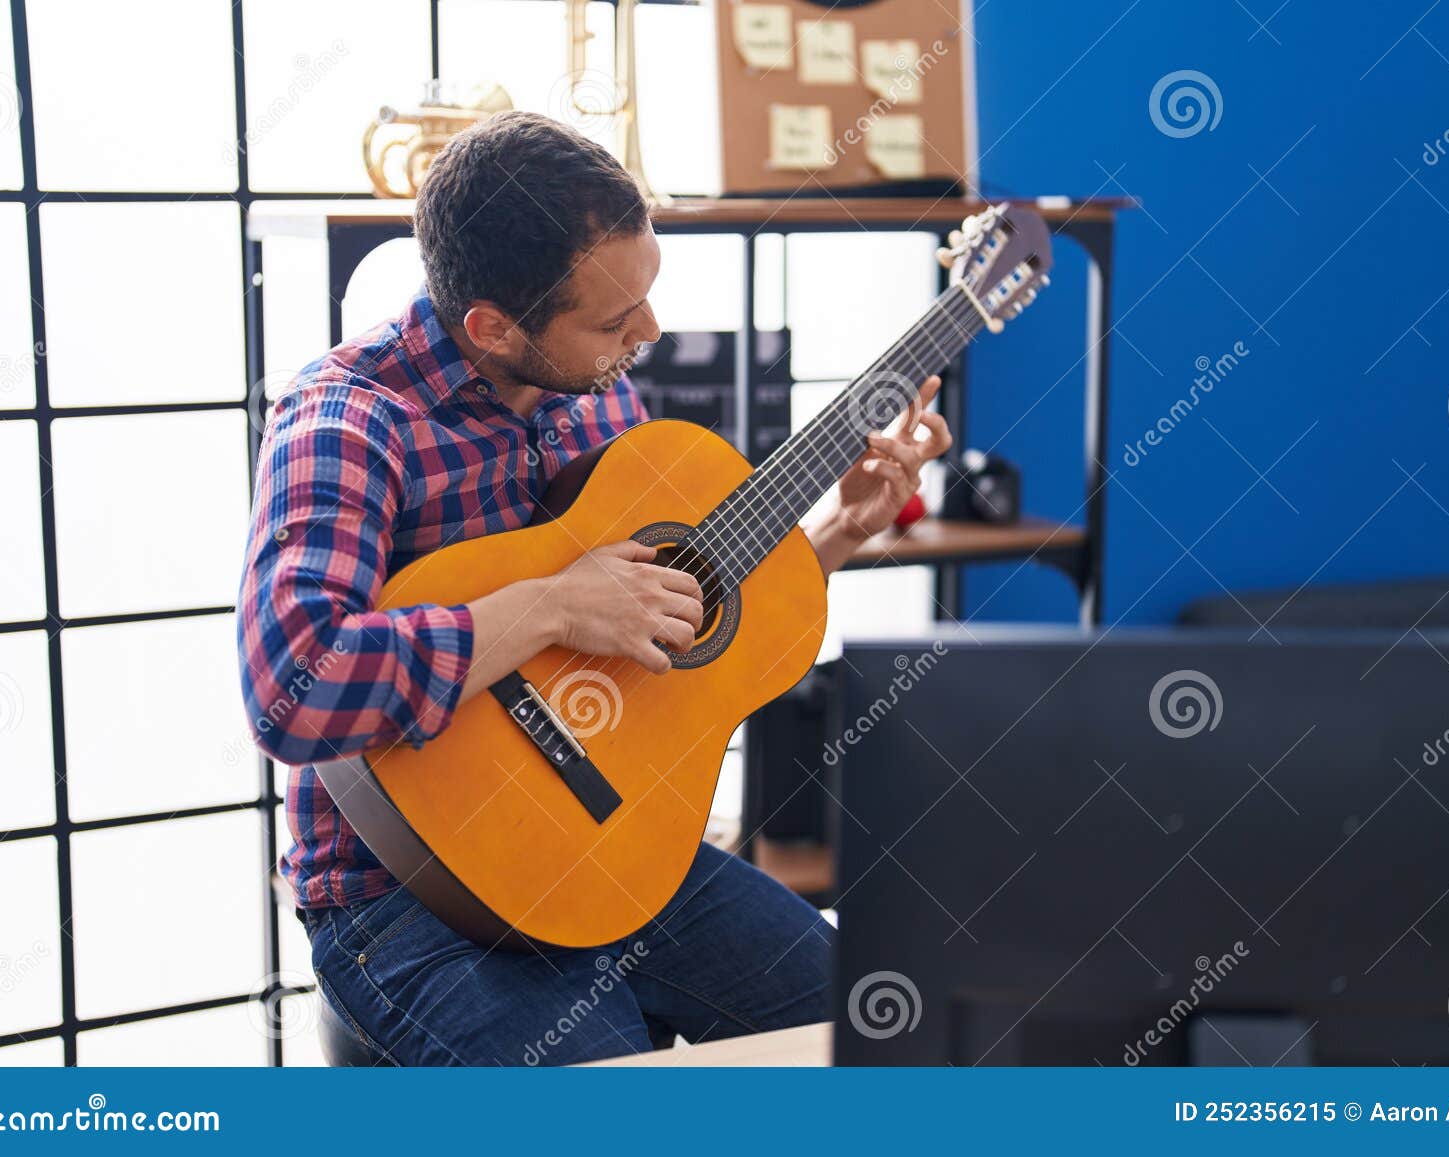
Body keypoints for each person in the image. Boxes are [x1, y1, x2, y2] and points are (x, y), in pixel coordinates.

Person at [235, 110, 950, 1065]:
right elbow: (294, 688)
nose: (647, 336)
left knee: (881, 1035)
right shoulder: (347, 420)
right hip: (406, 896)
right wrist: (554, 604)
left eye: (646, 297)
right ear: (492, 326)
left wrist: (840, 530)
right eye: (614, 320)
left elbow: (670, 608)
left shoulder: (591, 386)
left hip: (612, 853)